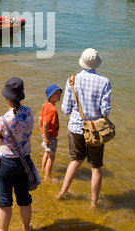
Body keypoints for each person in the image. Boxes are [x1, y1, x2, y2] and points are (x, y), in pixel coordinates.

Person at [57, 48, 111, 208]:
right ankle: (94, 204)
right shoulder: (105, 82)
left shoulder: (72, 80)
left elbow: (66, 109)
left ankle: (63, 192)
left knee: (76, 160)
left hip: (76, 126)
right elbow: (105, 111)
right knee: (96, 167)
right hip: (95, 129)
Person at [0, 77, 34, 231]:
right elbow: (27, 130)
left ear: (7, 98)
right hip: (24, 160)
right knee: (24, 197)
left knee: (5, 199)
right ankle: (27, 227)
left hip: (6, 162)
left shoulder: (3, 120)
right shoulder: (28, 112)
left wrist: (3, 136)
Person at [39, 84, 62, 180]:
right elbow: (45, 123)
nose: (60, 94)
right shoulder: (52, 109)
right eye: (57, 93)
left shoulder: (45, 105)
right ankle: (47, 176)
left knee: (47, 152)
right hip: (50, 135)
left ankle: (43, 169)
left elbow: (40, 118)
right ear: (50, 96)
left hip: (45, 133)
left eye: (60, 93)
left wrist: (42, 133)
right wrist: (47, 137)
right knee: (51, 157)